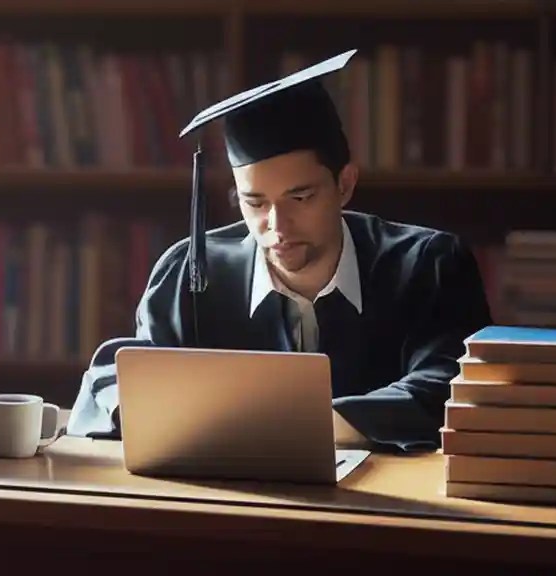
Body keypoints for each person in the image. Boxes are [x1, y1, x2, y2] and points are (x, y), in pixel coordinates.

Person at [66, 50, 492, 452]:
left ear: (344, 184)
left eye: (300, 198)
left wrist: (289, 429)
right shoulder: (192, 272)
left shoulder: (428, 266)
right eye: (255, 203)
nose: (276, 226)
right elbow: (116, 378)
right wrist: (147, 412)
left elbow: (451, 385)